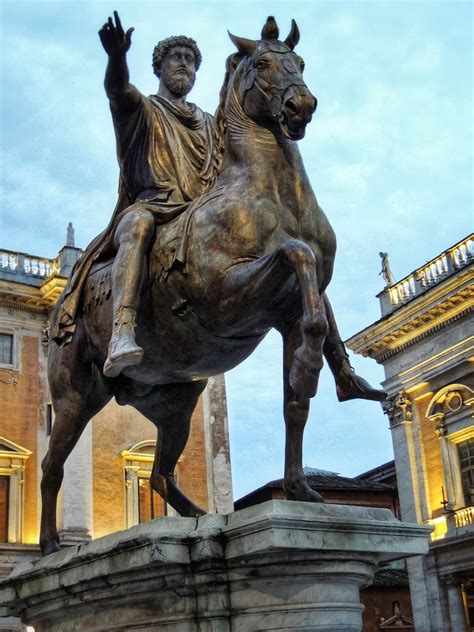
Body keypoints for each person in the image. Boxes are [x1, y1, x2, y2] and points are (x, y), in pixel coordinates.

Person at [51, 11, 217, 378]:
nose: (184, 65)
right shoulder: (143, 108)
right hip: (151, 205)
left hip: (195, 214)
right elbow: (118, 90)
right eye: (177, 58)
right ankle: (122, 331)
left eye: (190, 61)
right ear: (159, 67)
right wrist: (116, 58)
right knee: (138, 225)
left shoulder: (207, 123)